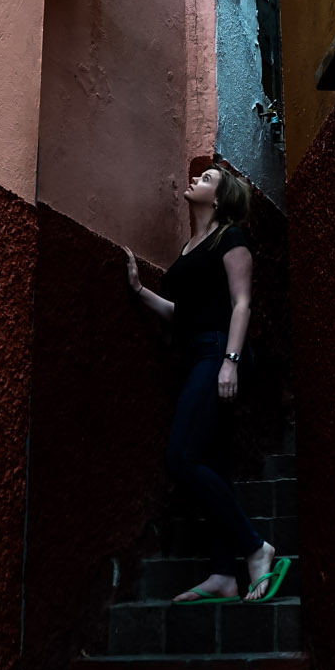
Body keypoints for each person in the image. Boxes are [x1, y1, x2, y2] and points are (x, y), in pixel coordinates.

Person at [124, 165, 291, 604]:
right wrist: (141, 291)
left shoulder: (231, 238)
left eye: (208, 178)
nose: (198, 178)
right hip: (197, 352)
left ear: (218, 199)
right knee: (212, 464)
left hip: (220, 352)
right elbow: (184, 313)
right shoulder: (189, 247)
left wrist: (231, 363)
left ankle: (256, 547)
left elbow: (241, 303)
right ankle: (223, 574)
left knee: (181, 457)